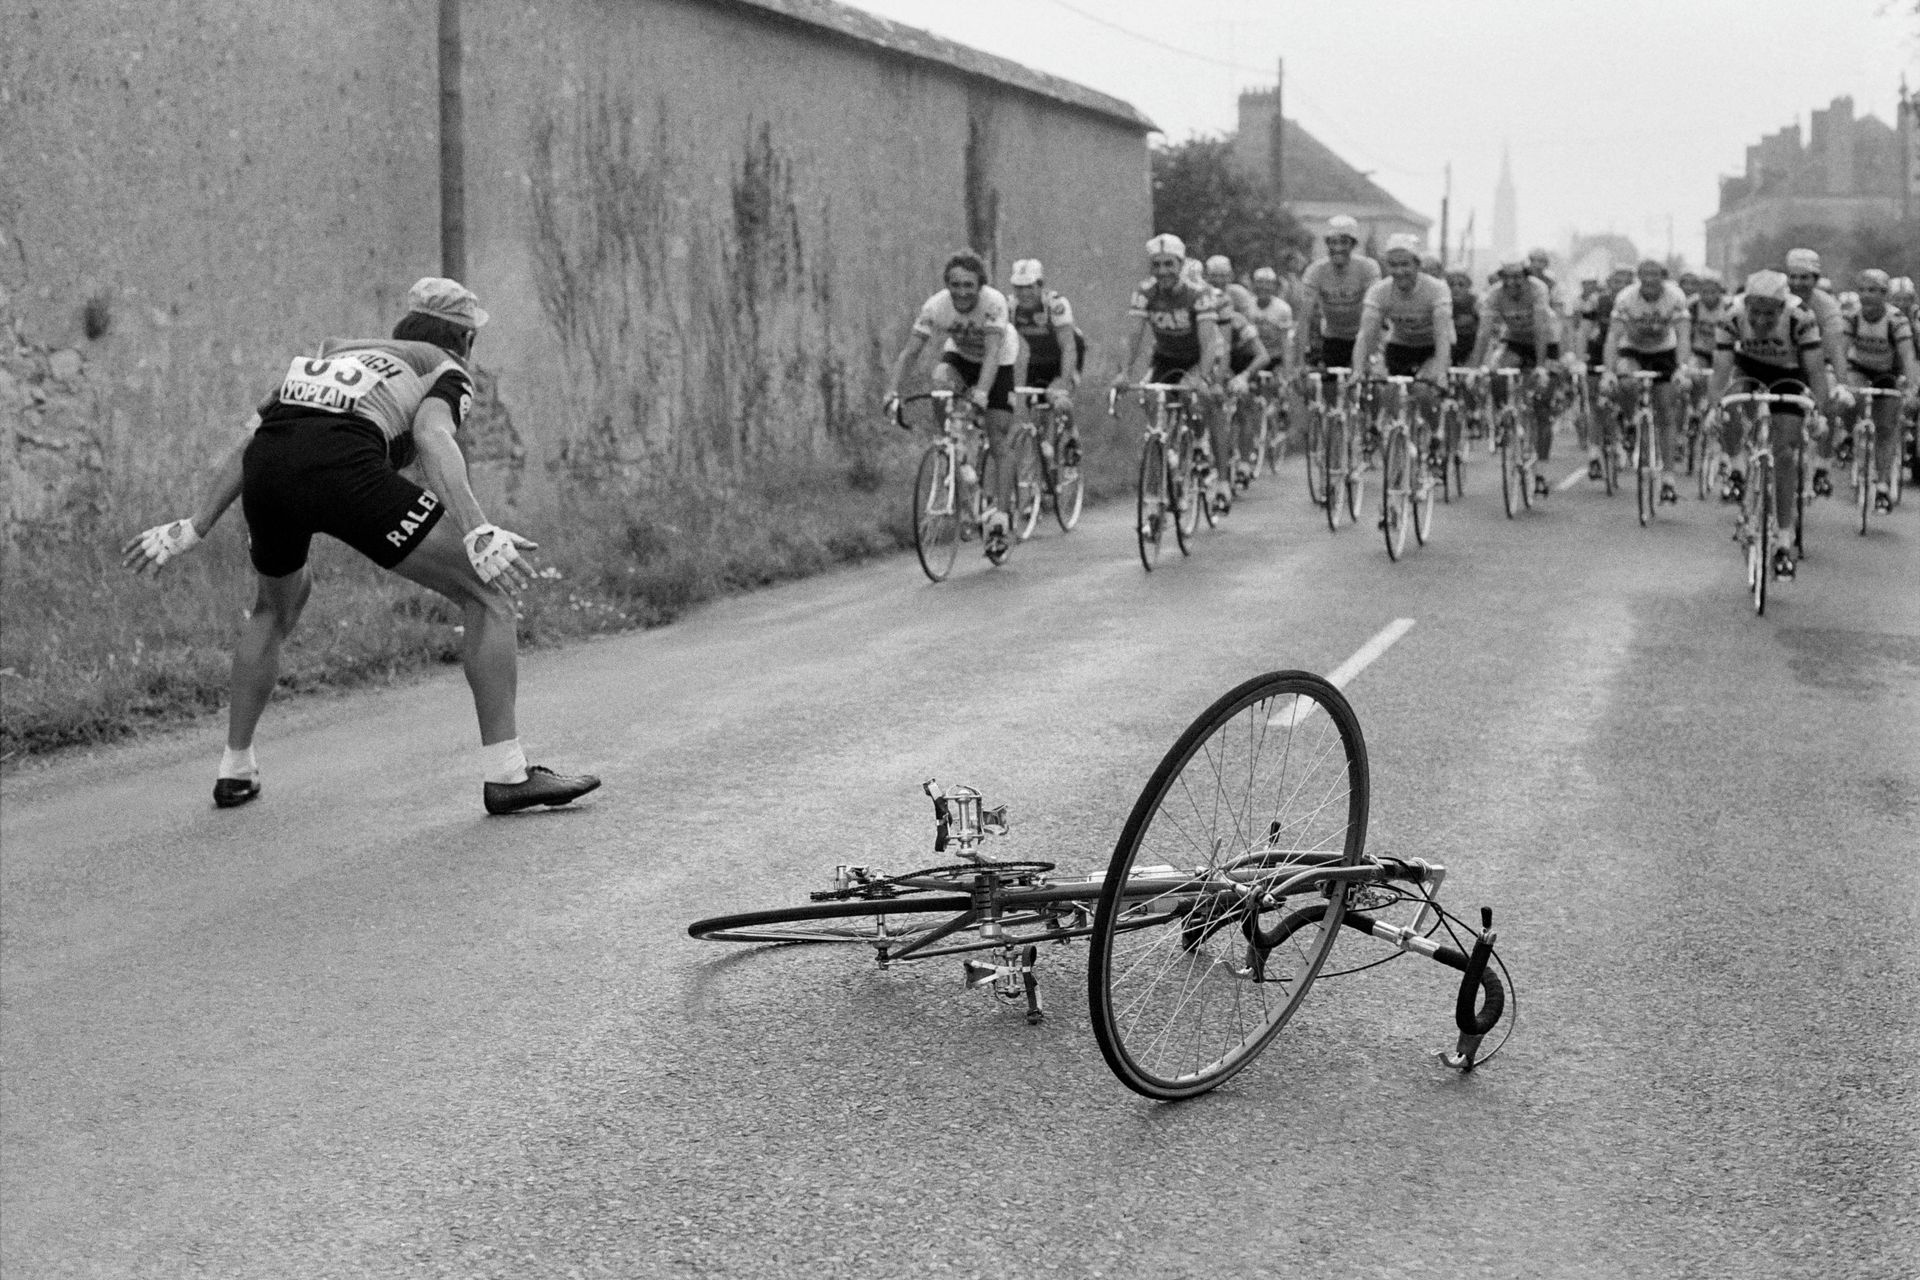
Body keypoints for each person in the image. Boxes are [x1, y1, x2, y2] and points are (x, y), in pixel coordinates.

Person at [122, 278, 601, 815]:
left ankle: (234, 769)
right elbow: (431, 436)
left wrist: (195, 525)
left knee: (275, 605)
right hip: (345, 466)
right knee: (486, 593)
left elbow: (253, 438)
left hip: (269, 471)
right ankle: (509, 776)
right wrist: (477, 529)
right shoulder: (444, 367)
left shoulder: (330, 352)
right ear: (466, 340)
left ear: (401, 327)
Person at [885, 250, 1020, 562]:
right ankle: (957, 462)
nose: (961, 292)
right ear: (947, 285)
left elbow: (991, 353)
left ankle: (1000, 516)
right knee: (941, 383)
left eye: (968, 285)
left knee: (998, 437)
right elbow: (911, 352)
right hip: (959, 356)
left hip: (997, 361)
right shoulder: (935, 306)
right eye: (955, 285)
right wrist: (892, 392)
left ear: (980, 286)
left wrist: (983, 393)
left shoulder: (994, 303)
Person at [1708, 269, 1834, 578]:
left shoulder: (1801, 317)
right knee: (1729, 405)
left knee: (1785, 451)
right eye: (1756, 312)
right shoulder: (1731, 315)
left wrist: (1820, 413)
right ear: (1745, 305)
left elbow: (1816, 373)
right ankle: (1738, 466)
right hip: (1749, 368)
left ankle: (1784, 538)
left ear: (1782, 308)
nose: (1761, 320)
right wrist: (1714, 409)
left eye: (1769, 314)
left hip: (1790, 374)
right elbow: (1721, 371)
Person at [1115, 234, 1228, 508]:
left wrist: (1200, 377)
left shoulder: (1198, 293)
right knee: (1154, 405)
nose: (1163, 271)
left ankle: (1221, 476)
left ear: (1180, 264)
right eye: (1157, 265)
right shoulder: (1145, 293)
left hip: (1199, 356)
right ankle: (1166, 471)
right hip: (1165, 357)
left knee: (1207, 402)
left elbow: (1209, 341)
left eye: (1169, 264)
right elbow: (1133, 337)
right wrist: (1123, 373)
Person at [1601, 259, 1692, 504]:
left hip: (1664, 351)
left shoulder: (1675, 296)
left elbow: (1683, 335)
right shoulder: (1625, 298)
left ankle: (1669, 478)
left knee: (1666, 410)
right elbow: (1613, 336)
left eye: (1655, 275)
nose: (1650, 280)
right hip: (1633, 349)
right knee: (1626, 382)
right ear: (1639, 277)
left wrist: (1682, 368)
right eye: (1645, 275)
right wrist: (1609, 371)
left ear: (1663, 277)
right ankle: (1630, 420)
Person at [1352, 235, 1452, 459]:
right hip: (1400, 345)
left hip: (1431, 348)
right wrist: (1358, 369)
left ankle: (1436, 433)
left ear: (1418, 264)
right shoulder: (1380, 291)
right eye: (1393, 265)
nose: (1399, 271)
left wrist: (1442, 372)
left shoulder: (1436, 289)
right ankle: (1401, 433)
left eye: (1405, 264)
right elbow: (1366, 334)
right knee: (1388, 391)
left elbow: (1442, 334)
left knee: (1423, 391)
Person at [1472, 259, 1559, 493]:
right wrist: (1475, 367)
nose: (1511, 282)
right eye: (1506, 277)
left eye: (1517, 277)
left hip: (1546, 341)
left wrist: (1541, 366)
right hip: (1517, 342)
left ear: (1526, 276)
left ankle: (1541, 470)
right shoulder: (1494, 294)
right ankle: (1504, 415)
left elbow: (1540, 327)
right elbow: (1484, 332)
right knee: (1497, 373)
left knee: (1542, 407)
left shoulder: (1537, 289)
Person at [1839, 268, 1916, 513]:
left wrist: (1913, 387)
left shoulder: (1896, 321)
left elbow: (1908, 356)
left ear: (1884, 295)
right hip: (1859, 367)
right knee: (1849, 398)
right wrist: (1839, 383)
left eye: (1872, 291)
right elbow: (1841, 351)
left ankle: (1882, 487)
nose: (1866, 296)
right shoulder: (1852, 316)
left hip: (1887, 373)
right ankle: (1849, 436)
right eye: (1862, 290)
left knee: (1886, 429)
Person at [1783, 248, 1848, 497]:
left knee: (1828, 400)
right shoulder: (1779, 298)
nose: (1798, 283)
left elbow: (1836, 348)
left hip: (1819, 364)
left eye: (1805, 277)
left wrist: (1841, 384)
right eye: (1793, 277)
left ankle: (1822, 466)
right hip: (1784, 362)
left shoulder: (1827, 306)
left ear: (1816, 279)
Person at [1293, 215, 1382, 375]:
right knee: (1329, 386)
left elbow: (1375, 313)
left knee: (1366, 381)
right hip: (1333, 336)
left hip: (1363, 335)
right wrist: (1299, 363)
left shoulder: (1368, 268)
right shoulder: (1316, 271)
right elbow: (1304, 318)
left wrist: (1370, 352)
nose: (1338, 248)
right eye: (1333, 242)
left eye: (1344, 242)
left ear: (1353, 245)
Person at [1204, 255, 1256, 321]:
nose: (1218, 280)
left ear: (1230, 276)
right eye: (1213, 275)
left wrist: (1233, 316)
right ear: (1206, 276)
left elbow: (1250, 319)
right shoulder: (1199, 293)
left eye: (1223, 276)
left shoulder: (1239, 293)